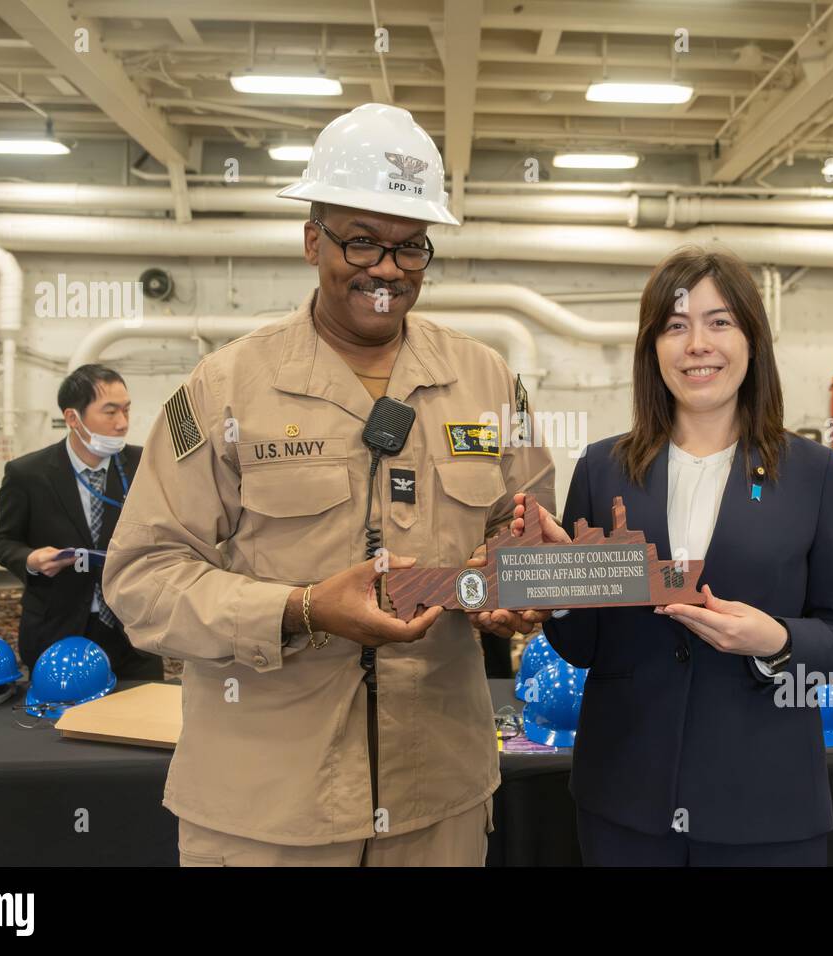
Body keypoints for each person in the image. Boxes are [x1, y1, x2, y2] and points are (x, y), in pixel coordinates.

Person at [102, 103, 554, 867]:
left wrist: (515, 578)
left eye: (410, 247)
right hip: (269, 813)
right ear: (313, 241)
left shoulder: (488, 382)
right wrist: (302, 609)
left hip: (435, 803)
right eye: (361, 241)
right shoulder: (223, 389)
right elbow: (141, 581)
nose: (387, 269)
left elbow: (523, 529)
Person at [518, 245, 833, 866]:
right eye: (676, 326)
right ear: (652, 348)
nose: (697, 344)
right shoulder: (603, 468)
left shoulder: (812, 473)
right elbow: (582, 646)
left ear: (752, 340)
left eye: (719, 322)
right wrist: (560, 591)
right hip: (626, 800)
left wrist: (776, 640)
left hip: (765, 802)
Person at [0, 364, 161, 679]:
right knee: (63, 710)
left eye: (126, 410)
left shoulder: (145, 465)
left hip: (133, 634)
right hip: (57, 629)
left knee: (141, 708)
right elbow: (2, 541)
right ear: (72, 418)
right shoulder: (28, 474)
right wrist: (31, 559)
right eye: (110, 412)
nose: (122, 423)